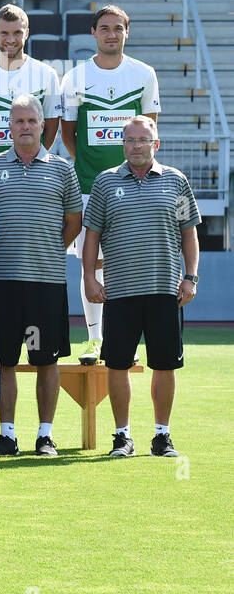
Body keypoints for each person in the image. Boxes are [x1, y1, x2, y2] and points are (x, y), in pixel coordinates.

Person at [82, 116, 199, 458]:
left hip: (166, 291)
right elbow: (92, 237)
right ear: (123, 145)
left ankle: (162, 436)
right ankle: (122, 437)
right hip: (119, 291)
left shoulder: (176, 182)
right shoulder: (105, 183)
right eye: (130, 140)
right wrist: (89, 277)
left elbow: (189, 234)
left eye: (143, 139)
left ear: (155, 144)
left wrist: (190, 277)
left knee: (165, 364)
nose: (136, 145)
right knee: (117, 365)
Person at [0, 95, 82, 457]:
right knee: (3, 359)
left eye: (31, 121)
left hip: (47, 282)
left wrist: (49, 249)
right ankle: (7, 434)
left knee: (45, 360)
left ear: (43, 125)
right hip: (3, 282)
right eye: (18, 121)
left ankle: (45, 435)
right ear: (9, 126)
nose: (24, 127)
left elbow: (73, 222)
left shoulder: (63, 169)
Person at [60, 5, 160, 365]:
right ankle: (94, 340)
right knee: (93, 265)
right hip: (90, 187)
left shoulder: (144, 74)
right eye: (105, 28)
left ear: (126, 33)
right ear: (94, 33)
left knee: (125, 263)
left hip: (136, 186)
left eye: (118, 28)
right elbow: (70, 136)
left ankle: (124, 339)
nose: (111, 34)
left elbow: (148, 132)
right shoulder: (74, 77)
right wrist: (96, 170)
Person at [0, 4, 63, 272]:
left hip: (35, 175)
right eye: (4, 32)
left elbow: (51, 127)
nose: (11, 39)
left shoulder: (46, 75)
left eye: (17, 32)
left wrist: (31, 159)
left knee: (31, 247)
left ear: (27, 33)